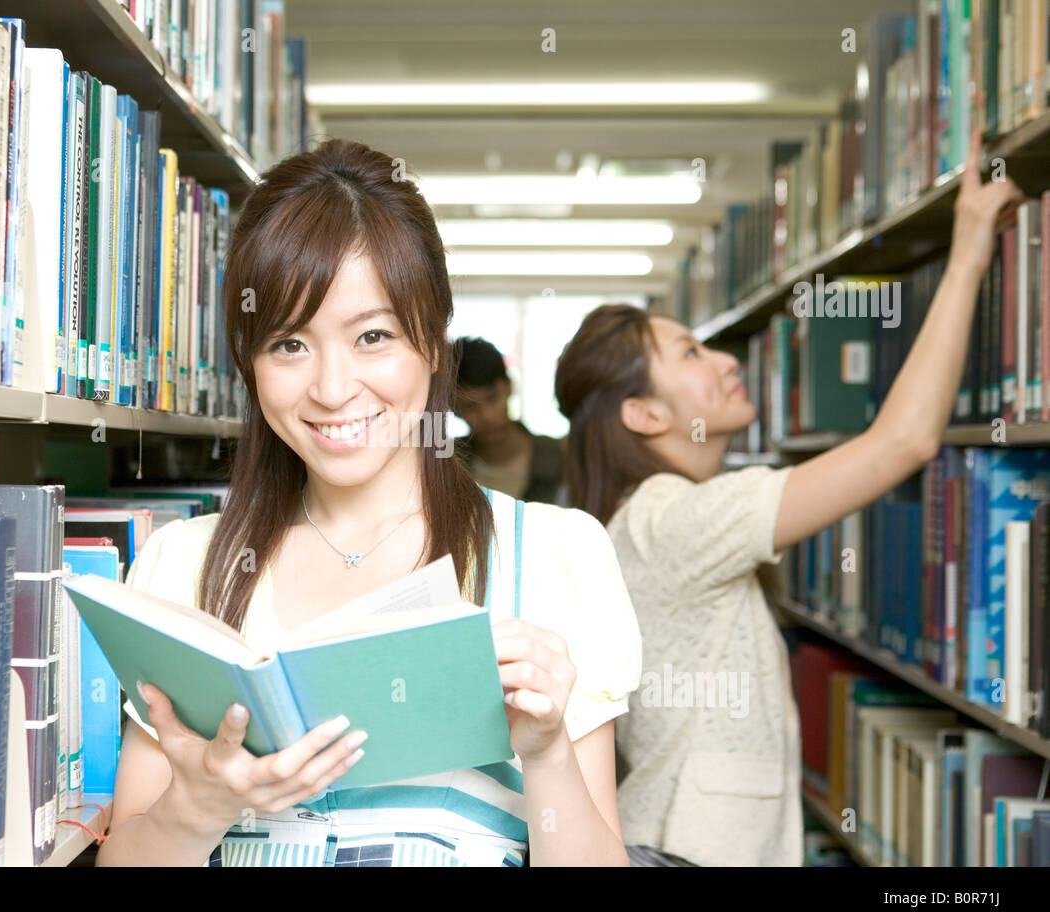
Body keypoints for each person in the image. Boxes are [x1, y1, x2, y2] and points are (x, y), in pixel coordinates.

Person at [96, 138, 643, 867]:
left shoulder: (554, 555)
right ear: (249, 361)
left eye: (373, 336)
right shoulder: (184, 568)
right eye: (290, 344)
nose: (331, 388)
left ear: (435, 345)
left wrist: (546, 755)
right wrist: (195, 810)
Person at [552, 130, 1023, 866]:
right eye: (691, 353)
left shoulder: (656, 513)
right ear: (642, 415)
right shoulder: (667, 517)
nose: (727, 359)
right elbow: (903, 444)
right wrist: (967, 250)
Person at [453, 337, 566, 503]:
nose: (487, 415)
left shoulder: (560, 457)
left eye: (492, 398)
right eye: (471, 407)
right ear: (454, 409)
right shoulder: (447, 466)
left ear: (509, 387)